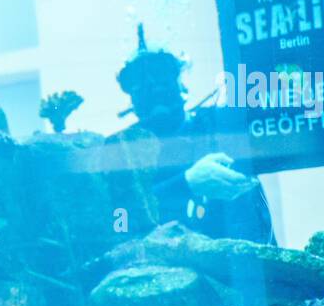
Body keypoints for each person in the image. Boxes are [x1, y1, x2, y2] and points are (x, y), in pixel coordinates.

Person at [110, 25, 277, 245]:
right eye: (139, 83)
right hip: (158, 273)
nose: (154, 88)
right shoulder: (118, 152)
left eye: (161, 74)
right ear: (130, 94)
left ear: (179, 80)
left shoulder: (217, 125)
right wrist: (186, 184)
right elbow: (117, 223)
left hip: (240, 267)